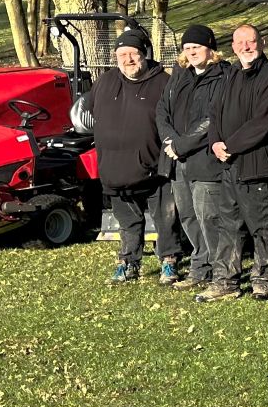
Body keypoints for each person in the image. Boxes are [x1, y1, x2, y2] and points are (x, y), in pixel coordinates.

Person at [199, 22, 268, 303]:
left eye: (251, 41)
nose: (246, 47)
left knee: (260, 227)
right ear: (233, 47)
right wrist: (215, 142)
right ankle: (225, 281)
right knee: (228, 225)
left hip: (256, 165)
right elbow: (215, 112)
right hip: (228, 165)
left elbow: (262, 123)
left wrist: (230, 145)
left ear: (262, 42)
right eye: (240, 43)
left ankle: (262, 278)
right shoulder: (231, 74)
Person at [93, 28, 177, 284]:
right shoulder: (105, 81)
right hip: (115, 169)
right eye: (122, 54)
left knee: (166, 219)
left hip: (154, 169)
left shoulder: (163, 82)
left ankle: (169, 261)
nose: (128, 59)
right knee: (127, 220)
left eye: (133, 53)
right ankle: (128, 261)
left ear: (144, 54)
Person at [156, 23, 229, 293]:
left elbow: (213, 119)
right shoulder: (179, 75)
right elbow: (162, 109)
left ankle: (220, 271)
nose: (192, 52)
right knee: (187, 215)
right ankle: (200, 266)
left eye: (197, 47)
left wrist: (182, 145)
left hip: (204, 159)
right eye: (187, 48)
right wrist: (169, 140)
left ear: (210, 49)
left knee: (208, 216)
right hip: (176, 158)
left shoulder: (223, 76)